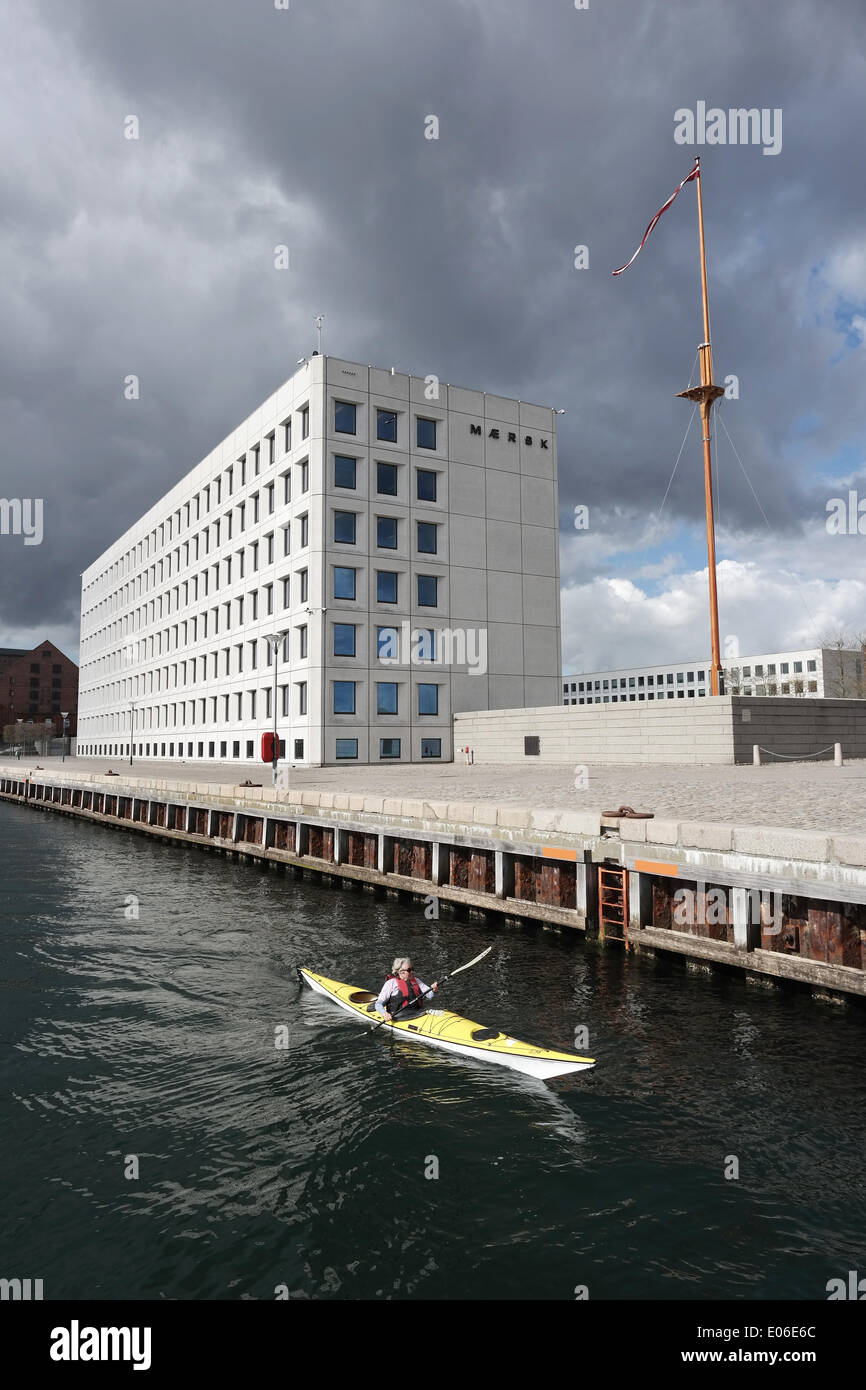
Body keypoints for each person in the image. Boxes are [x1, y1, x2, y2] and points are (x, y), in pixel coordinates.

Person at [375, 957, 438, 1021]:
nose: (412, 971)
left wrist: (432, 989)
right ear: (401, 972)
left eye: (412, 969)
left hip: (418, 1014)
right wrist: (384, 1013)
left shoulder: (416, 980)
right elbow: (378, 1004)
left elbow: (430, 996)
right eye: (409, 970)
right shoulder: (391, 983)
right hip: (398, 1017)